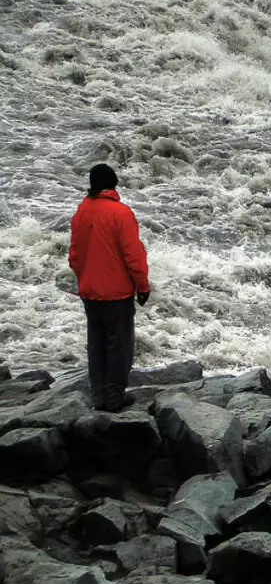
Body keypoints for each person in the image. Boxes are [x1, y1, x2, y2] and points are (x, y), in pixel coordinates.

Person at [68, 163, 151, 412]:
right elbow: (133, 255)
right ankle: (115, 399)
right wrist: (142, 285)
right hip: (116, 293)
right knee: (119, 347)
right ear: (113, 184)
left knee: (96, 344)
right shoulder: (120, 213)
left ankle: (99, 398)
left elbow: (74, 256)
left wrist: (86, 279)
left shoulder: (81, 212)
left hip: (89, 291)